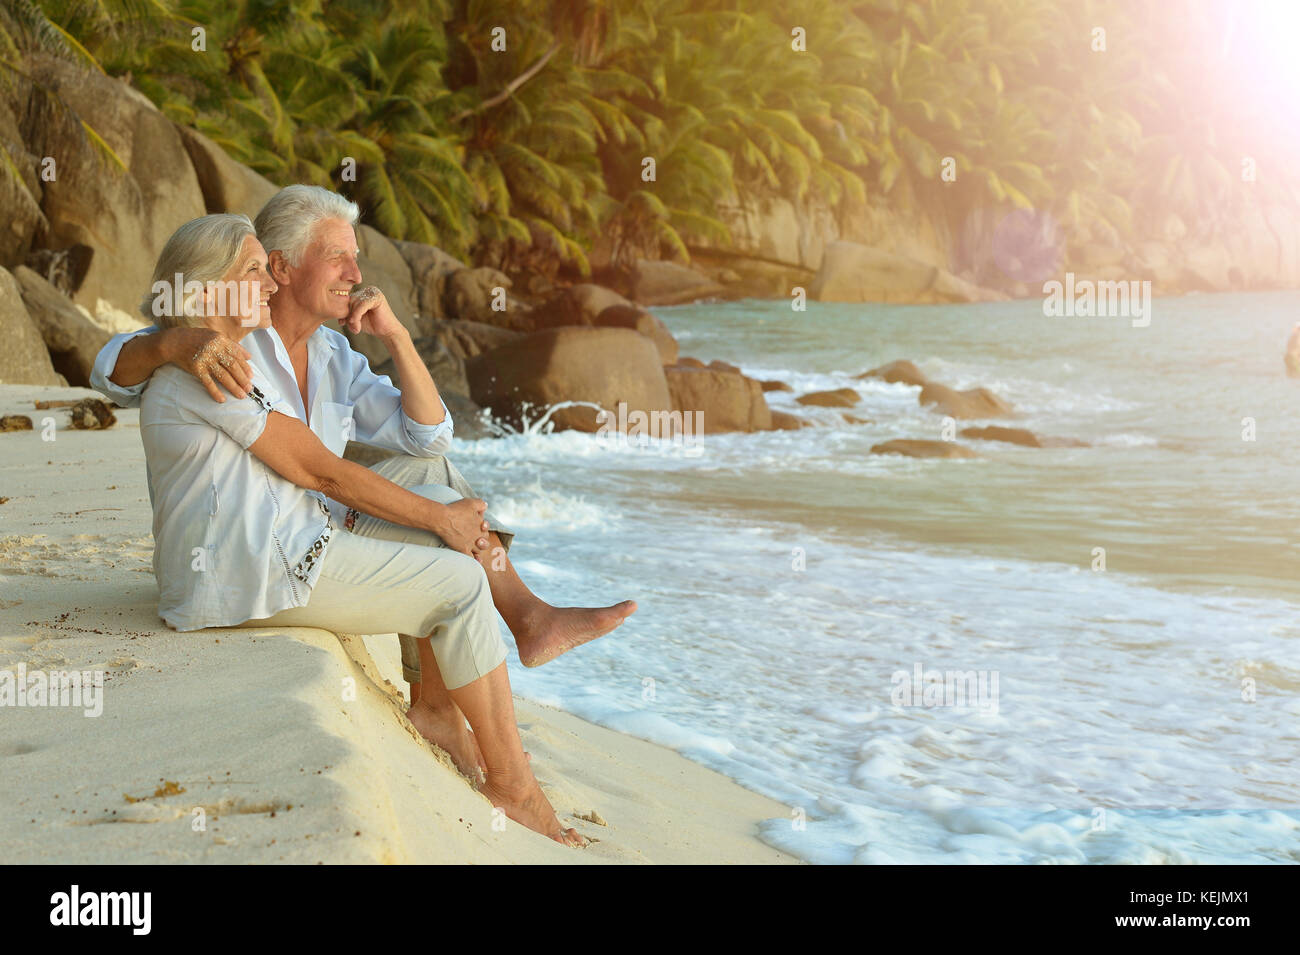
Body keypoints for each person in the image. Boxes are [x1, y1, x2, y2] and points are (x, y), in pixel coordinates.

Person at [90, 185, 635, 765]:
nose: (356, 273)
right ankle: (498, 675)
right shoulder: (221, 347)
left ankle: (482, 657)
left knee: (432, 472)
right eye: (337, 257)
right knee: (442, 534)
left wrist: (397, 337)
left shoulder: (330, 352)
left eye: (356, 257)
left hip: (301, 521)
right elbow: (113, 370)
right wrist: (176, 340)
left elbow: (428, 435)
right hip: (260, 548)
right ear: (281, 266)